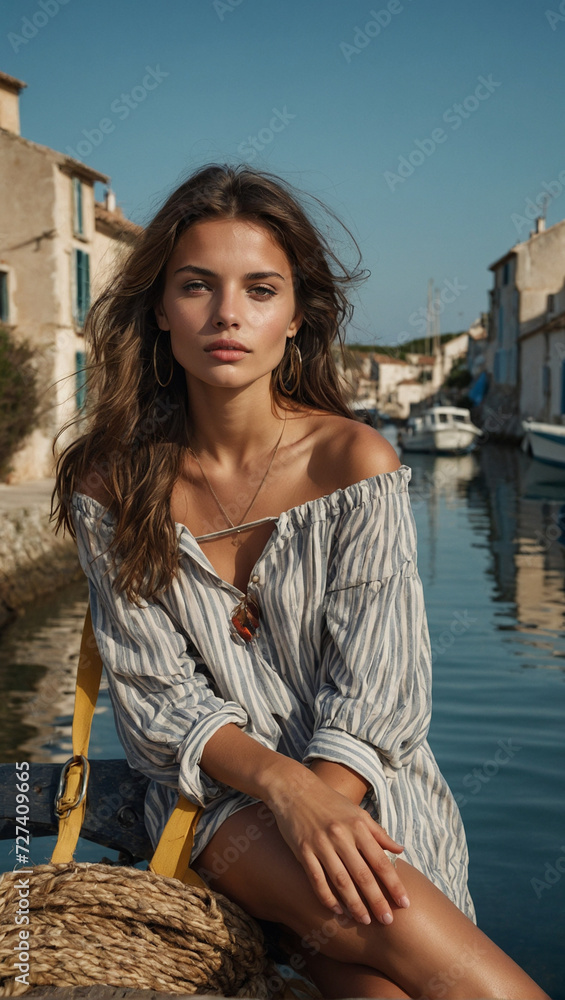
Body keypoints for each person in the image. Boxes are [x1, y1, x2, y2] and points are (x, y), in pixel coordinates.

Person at [54, 165, 549, 1000]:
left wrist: (322, 809)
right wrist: (284, 791)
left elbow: (380, 689)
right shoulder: (110, 485)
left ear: (295, 317)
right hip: (218, 804)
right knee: (428, 950)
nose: (227, 314)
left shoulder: (354, 461)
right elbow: (156, 702)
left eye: (260, 289)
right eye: (196, 286)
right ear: (160, 310)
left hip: (375, 802)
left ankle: (298, 932)